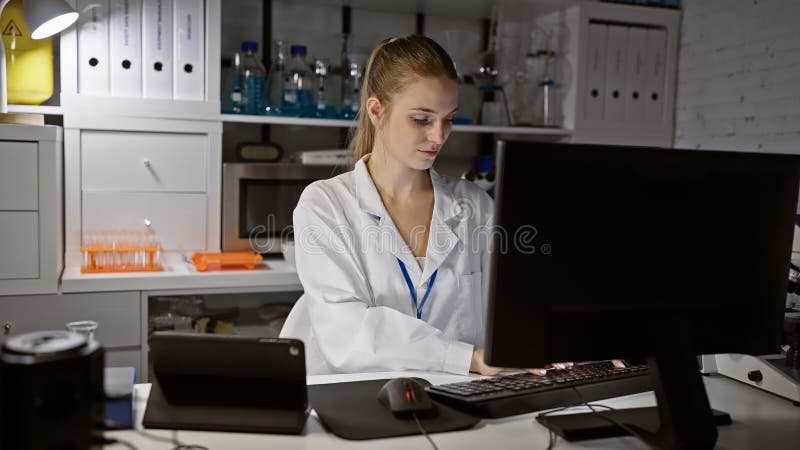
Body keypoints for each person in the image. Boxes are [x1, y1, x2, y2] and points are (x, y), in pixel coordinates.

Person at [292, 35, 569, 376]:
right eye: (422, 119)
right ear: (377, 111)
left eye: (448, 119)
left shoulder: (474, 207)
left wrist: (558, 346)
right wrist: (468, 358)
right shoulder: (326, 205)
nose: (439, 136)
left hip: (462, 398)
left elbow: (515, 311)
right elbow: (349, 334)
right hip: (360, 399)